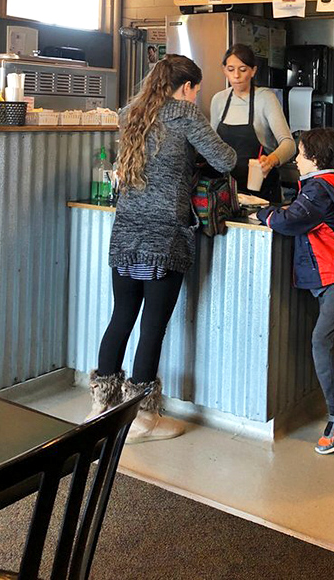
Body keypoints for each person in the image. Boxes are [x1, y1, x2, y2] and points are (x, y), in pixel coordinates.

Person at [87, 54, 237, 443]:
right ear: (186, 87)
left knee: (122, 316)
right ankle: (143, 418)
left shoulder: (130, 113)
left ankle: (100, 407)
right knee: (152, 325)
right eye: (195, 91)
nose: (195, 97)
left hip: (126, 231)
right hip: (164, 234)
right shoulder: (185, 116)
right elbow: (227, 159)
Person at [256, 128, 334, 455]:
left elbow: (290, 221)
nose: (297, 161)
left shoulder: (318, 189)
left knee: (323, 341)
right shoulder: (332, 184)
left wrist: (263, 213)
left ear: (316, 158)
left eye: (301, 154)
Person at [210, 44, 295, 204]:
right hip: (226, 191)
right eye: (230, 69)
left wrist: (270, 161)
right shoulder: (219, 100)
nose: (236, 75)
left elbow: (289, 145)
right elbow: (213, 145)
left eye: (243, 70)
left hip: (261, 191)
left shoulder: (265, 98)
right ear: (224, 70)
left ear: (253, 71)